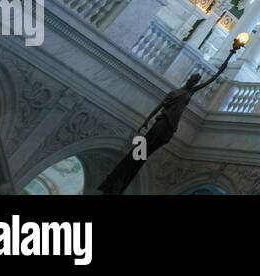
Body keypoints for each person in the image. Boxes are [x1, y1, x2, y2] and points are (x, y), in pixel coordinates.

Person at [97, 40, 243, 194]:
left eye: (197, 80)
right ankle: (116, 182)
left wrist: (230, 55)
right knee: (144, 149)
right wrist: (147, 121)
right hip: (163, 121)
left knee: (147, 151)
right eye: (193, 79)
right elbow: (159, 107)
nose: (195, 81)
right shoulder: (176, 93)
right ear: (189, 79)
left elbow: (215, 77)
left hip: (171, 126)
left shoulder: (190, 92)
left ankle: (121, 180)